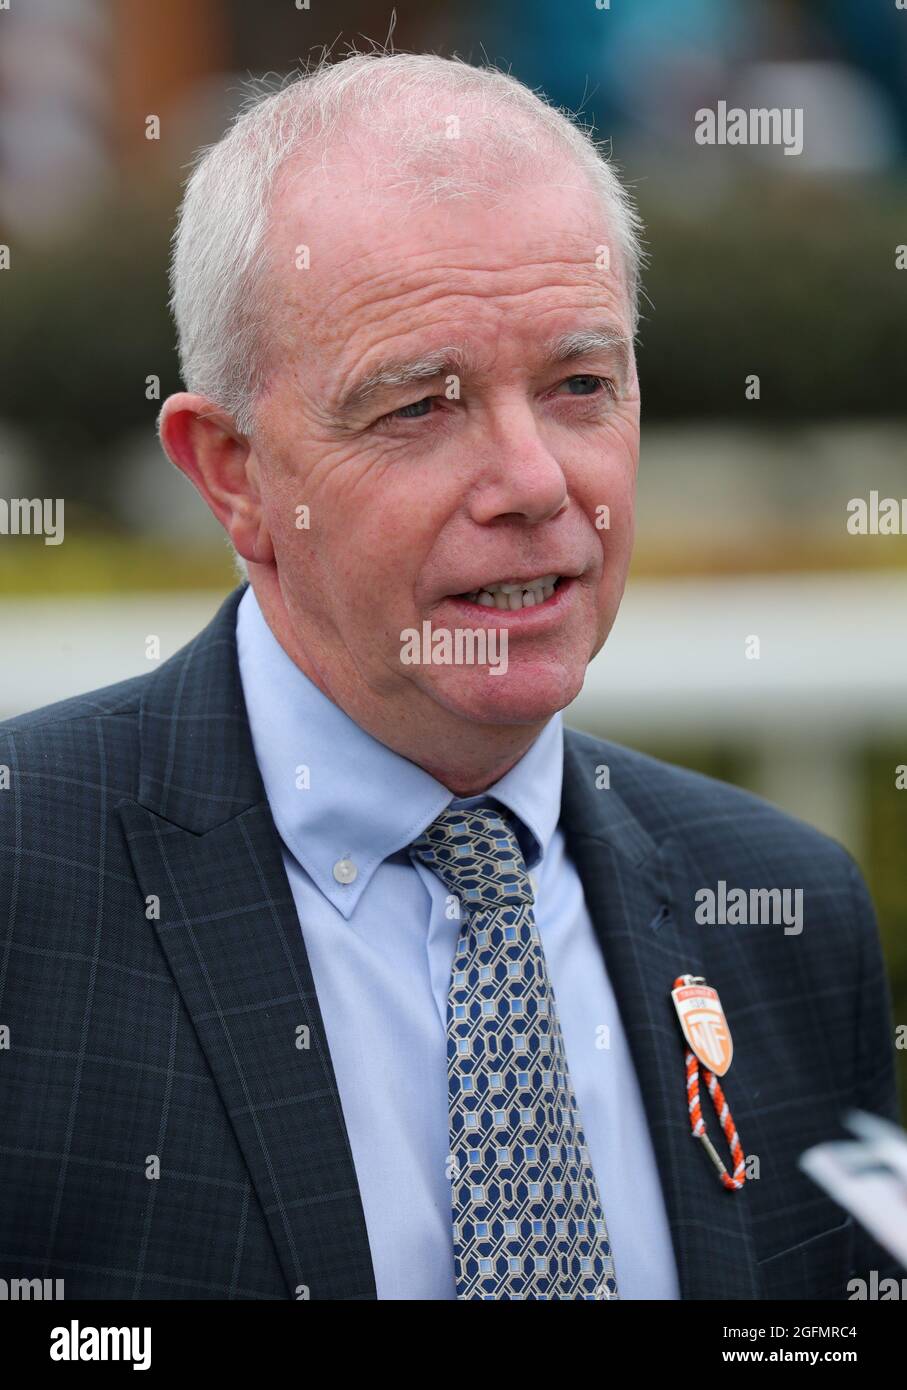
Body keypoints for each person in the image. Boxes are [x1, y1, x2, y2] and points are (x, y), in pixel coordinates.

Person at [0, 50, 899, 1301]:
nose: (535, 482)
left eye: (581, 385)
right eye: (421, 405)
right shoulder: (25, 888)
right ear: (234, 475)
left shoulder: (784, 909)